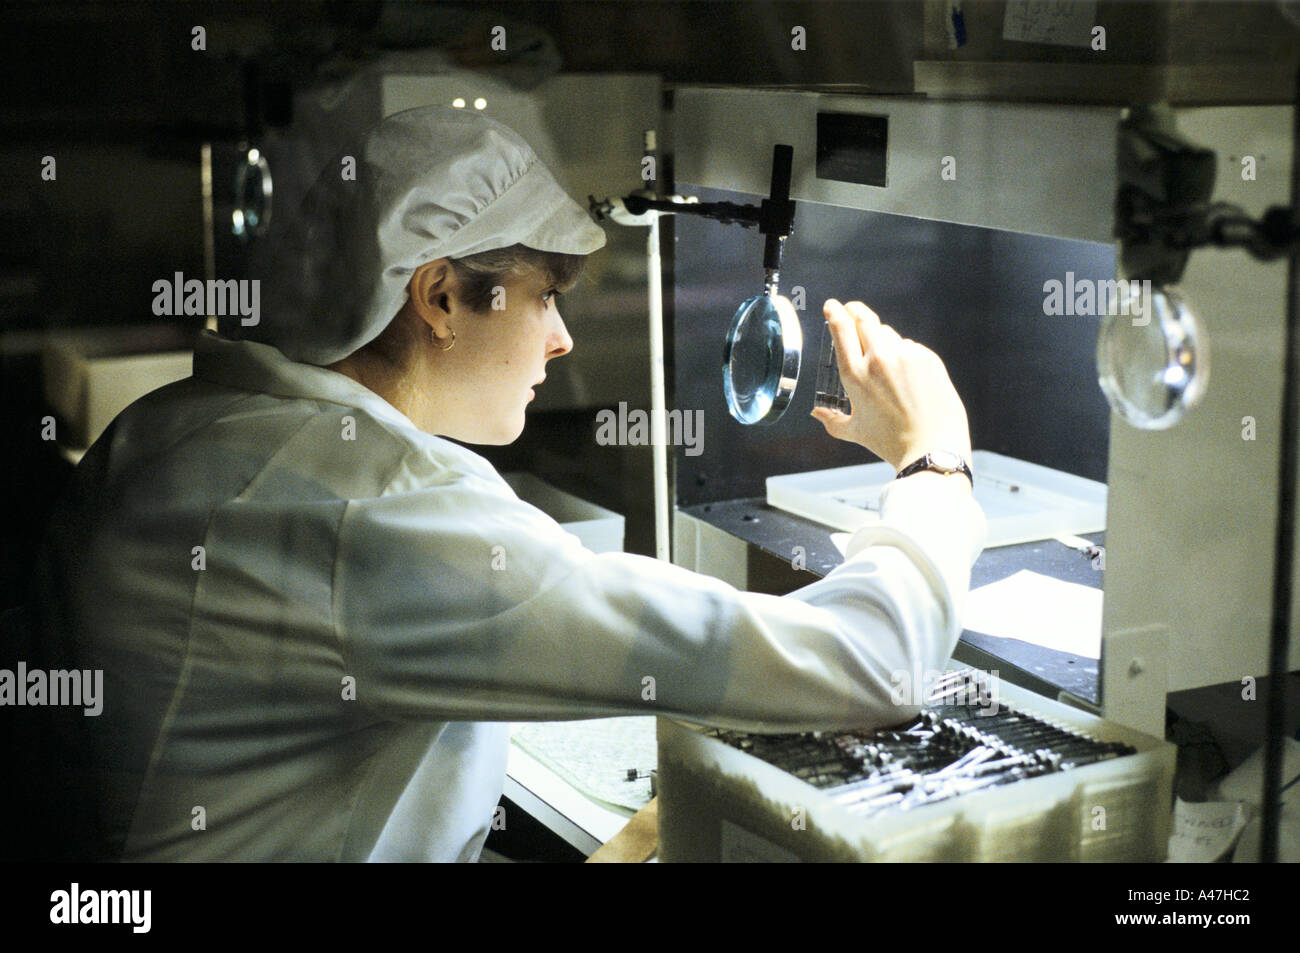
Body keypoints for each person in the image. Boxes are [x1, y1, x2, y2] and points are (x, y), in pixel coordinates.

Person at [31, 105, 985, 862]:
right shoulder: (372, 505)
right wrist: (934, 457)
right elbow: (875, 662)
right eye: (546, 297)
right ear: (440, 296)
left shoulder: (178, 425)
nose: (563, 338)